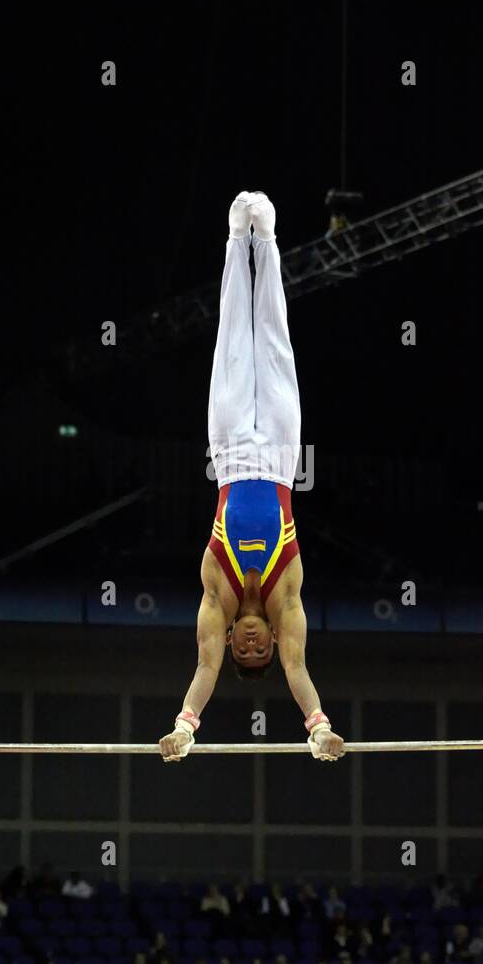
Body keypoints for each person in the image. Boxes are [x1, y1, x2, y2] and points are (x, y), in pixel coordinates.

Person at [157, 192, 344, 764]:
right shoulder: (288, 597)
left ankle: (238, 239)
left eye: (248, 650)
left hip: (233, 455)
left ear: (237, 646)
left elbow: (203, 667)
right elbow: (299, 667)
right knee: (276, 345)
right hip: (283, 457)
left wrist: (185, 729)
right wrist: (318, 728)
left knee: (234, 347)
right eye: (264, 650)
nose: (256, 644)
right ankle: (268, 238)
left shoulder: (217, 595)